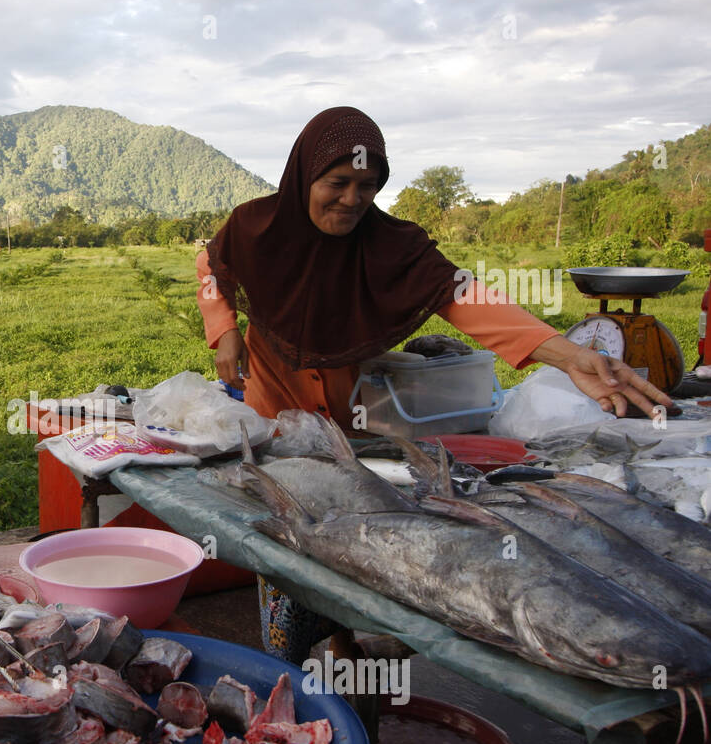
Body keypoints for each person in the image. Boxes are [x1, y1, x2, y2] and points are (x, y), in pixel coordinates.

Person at [196, 106, 672, 661]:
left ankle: (347, 655)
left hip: (353, 416)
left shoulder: (392, 245)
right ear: (304, 175)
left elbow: (466, 297)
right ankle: (290, 671)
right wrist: (224, 330)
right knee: (285, 541)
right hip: (273, 407)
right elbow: (211, 268)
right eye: (338, 183)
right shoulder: (256, 227)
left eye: (368, 186)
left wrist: (569, 356)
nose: (353, 200)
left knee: (355, 537)